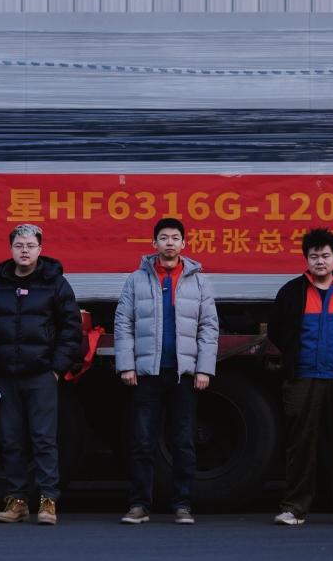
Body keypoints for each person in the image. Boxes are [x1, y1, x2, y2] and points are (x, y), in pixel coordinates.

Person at [0, 224, 82, 525]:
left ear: (40, 250)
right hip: (6, 377)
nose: (24, 251)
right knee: (10, 440)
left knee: (43, 439)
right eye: (19, 245)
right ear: (11, 249)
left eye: (30, 245)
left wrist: (56, 368)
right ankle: (17, 500)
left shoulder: (55, 283)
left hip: (41, 376)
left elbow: (71, 329)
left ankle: (48, 501)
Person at [267, 227, 333, 526]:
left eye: (325, 256)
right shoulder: (292, 292)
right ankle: (294, 509)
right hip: (302, 379)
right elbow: (277, 330)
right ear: (306, 259)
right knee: (301, 444)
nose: (320, 261)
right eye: (314, 256)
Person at [115, 218, 219, 525]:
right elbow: (123, 323)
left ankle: (182, 505)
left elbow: (209, 327)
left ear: (184, 243)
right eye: (164, 237)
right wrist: (127, 364)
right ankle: (139, 505)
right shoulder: (136, 280)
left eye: (175, 238)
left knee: (183, 441)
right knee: (142, 442)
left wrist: (203, 369)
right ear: (154, 243)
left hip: (183, 374)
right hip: (147, 373)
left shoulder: (198, 281)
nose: (169, 242)